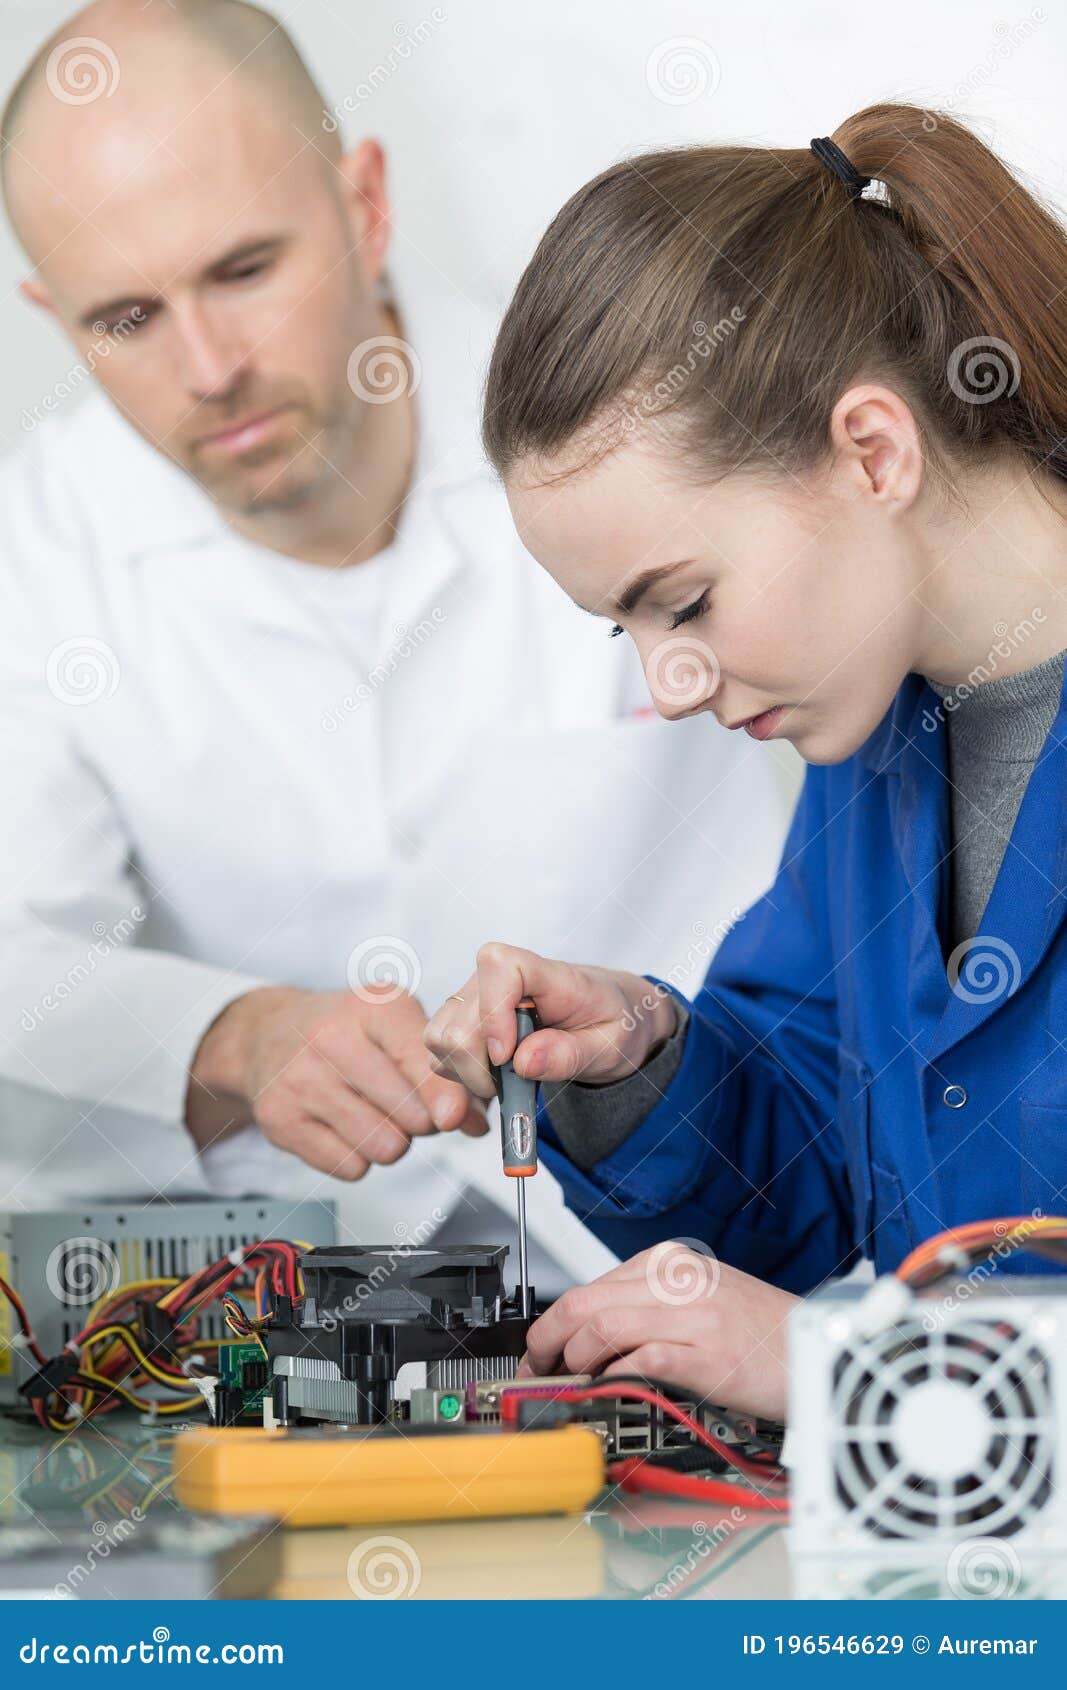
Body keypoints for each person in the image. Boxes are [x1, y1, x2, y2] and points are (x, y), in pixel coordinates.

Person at [0, 0, 793, 1287]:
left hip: (725, 1251)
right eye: (126, 319)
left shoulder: (624, 423)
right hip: (325, 1313)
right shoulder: (37, 553)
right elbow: (11, 963)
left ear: (364, 204)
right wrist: (231, 1038)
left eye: (245, 269)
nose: (208, 368)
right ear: (54, 313)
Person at [425, 103, 1067, 1416]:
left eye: (686, 600)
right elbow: (823, 1179)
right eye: (627, 626)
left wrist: (848, 1369)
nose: (664, 687)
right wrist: (639, 1065)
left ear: (869, 451)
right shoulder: (876, 731)